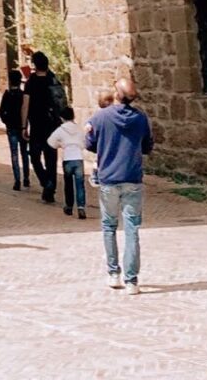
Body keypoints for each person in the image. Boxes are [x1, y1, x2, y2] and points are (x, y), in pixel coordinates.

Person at [86, 77, 154, 294]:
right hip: (132, 177)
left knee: (109, 227)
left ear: (116, 94)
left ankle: (114, 273)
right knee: (132, 229)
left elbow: (89, 144)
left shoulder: (100, 117)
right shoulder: (140, 118)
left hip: (108, 179)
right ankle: (132, 281)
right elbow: (147, 147)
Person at [21, 50, 63, 204]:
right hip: (52, 125)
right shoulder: (53, 80)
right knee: (51, 158)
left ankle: (46, 182)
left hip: (37, 126)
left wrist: (23, 126)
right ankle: (49, 188)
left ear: (35, 65)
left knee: (34, 156)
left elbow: (25, 105)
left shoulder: (31, 82)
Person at [47, 106, 87, 218]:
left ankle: (69, 206)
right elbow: (85, 142)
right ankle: (81, 207)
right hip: (78, 157)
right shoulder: (79, 129)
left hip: (67, 158)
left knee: (68, 184)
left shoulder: (61, 130)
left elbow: (50, 142)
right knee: (80, 184)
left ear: (61, 117)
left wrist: (60, 145)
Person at [0, 68, 29, 191]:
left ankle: (17, 181)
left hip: (11, 128)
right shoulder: (23, 95)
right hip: (22, 126)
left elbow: (1, 111)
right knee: (24, 153)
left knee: (14, 154)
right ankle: (26, 178)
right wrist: (25, 125)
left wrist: (6, 122)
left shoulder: (7, 95)